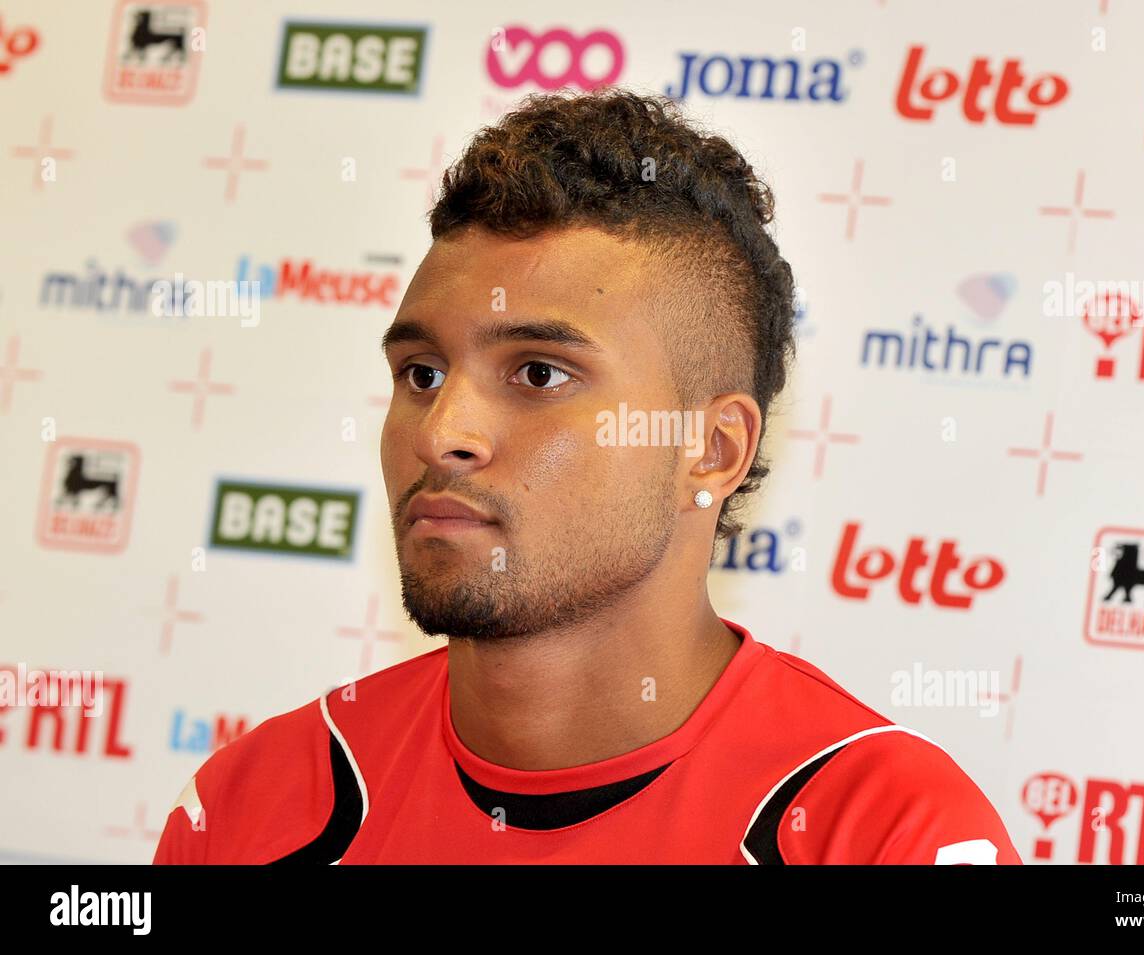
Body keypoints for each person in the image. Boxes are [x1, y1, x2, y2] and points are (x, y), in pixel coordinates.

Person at [153, 88, 1022, 864]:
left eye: (538, 374)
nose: (442, 432)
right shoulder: (254, 804)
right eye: (421, 372)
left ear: (712, 449)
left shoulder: (883, 833)